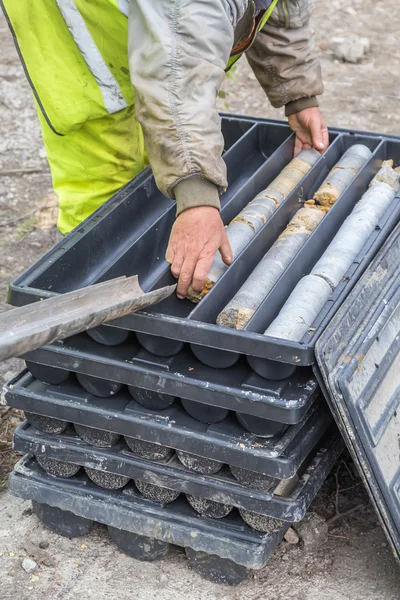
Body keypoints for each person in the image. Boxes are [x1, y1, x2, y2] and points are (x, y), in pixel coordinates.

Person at [1, 0, 328, 299]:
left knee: (169, 144)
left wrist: (297, 91)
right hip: (87, 24)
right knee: (106, 185)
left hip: (173, 28)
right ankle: (83, 305)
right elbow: (177, 66)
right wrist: (196, 197)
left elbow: (276, 6)